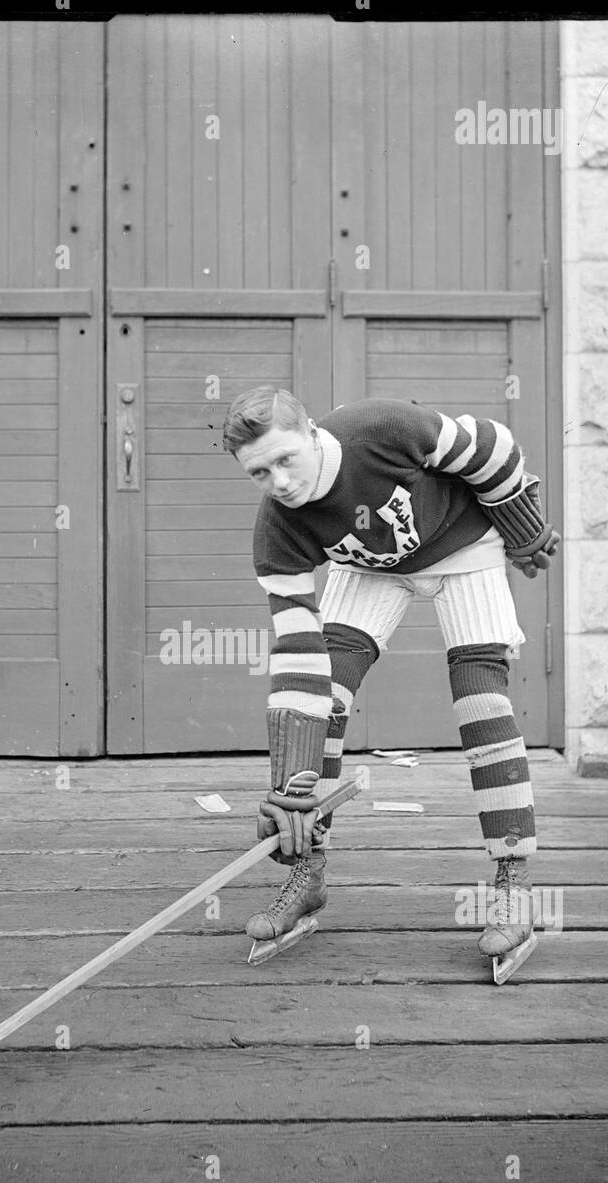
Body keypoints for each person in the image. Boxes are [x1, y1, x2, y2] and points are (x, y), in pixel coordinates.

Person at [221, 386, 560, 965]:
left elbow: (494, 446)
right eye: (259, 472)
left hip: (462, 543)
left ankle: (512, 883)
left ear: (311, 432)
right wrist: (286, 786)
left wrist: (524, 530)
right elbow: (297, 656)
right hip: (371, 568)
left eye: (285, 459)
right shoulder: (278, 528)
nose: (278, 482)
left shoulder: (377, 429)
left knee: (481, 699)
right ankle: (309, 872)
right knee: (323, 699)